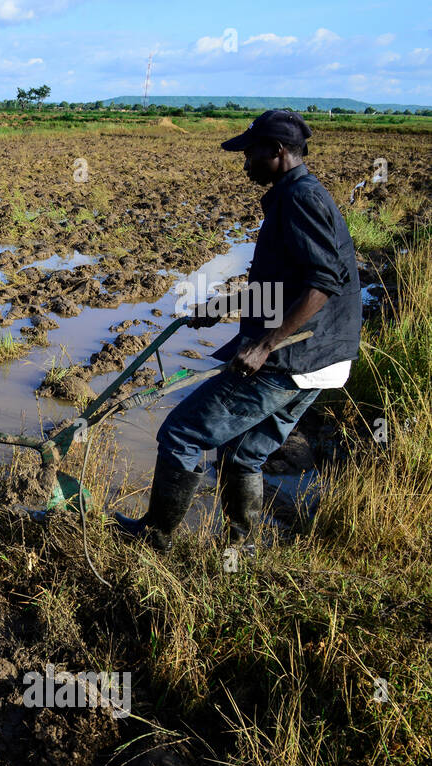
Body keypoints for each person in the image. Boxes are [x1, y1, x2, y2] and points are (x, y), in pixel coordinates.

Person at [115, 110, 363, 551]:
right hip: (323, 357)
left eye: (250, 153)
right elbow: (285, 286)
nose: (244, 161)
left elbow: (323, 282)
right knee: (243, 453)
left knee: (182, 433)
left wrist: (265, 345)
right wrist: (223, 307)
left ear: (277, 152)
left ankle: (152, 541)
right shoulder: (295, 193)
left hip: (293, 356)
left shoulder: (300, 199)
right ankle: (240, 551)